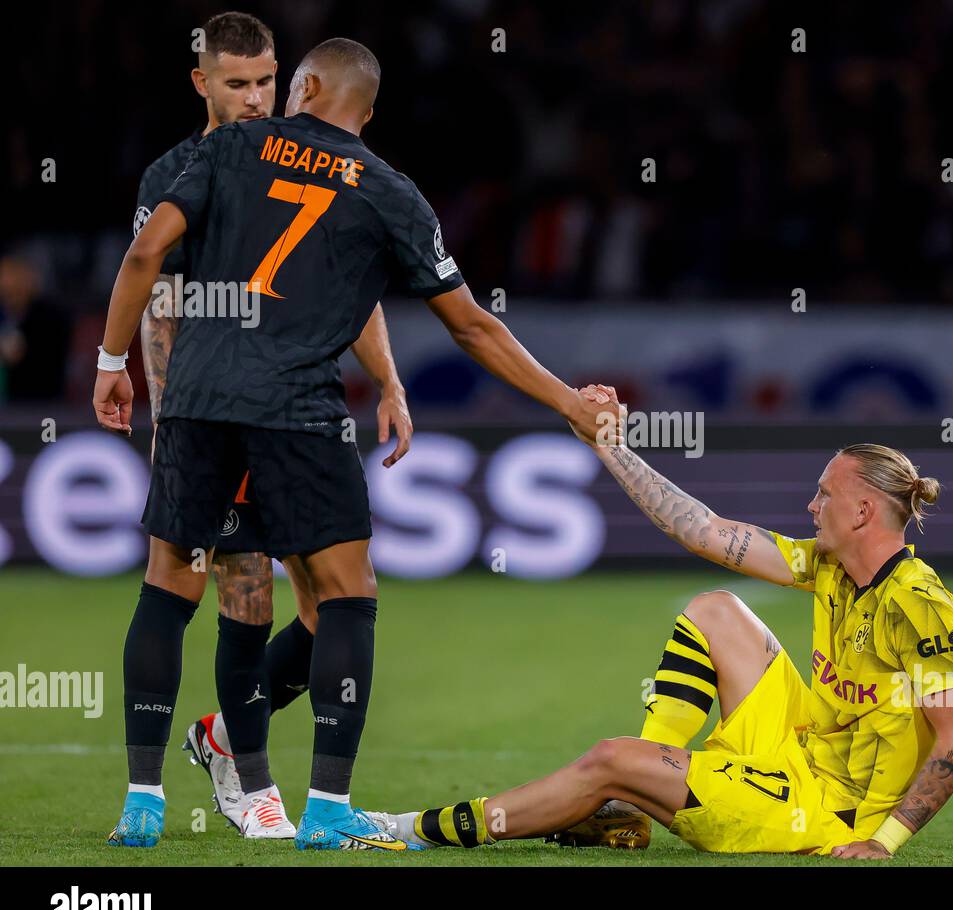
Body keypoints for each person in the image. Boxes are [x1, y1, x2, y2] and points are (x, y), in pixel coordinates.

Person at [95, 36, 605, 851]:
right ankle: (325, 808)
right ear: (365, 114)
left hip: (195, 400)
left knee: (168, 584)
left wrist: (111, 364)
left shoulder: (231, 146)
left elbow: (147, 251)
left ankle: (143, 806)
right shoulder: (388, 192)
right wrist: (568, 404)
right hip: (296, 410)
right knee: (345, 593)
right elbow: (470, 324)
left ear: (302, 86)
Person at [373, 390, 953, 857]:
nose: (811, 506)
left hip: (821, 809)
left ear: (864, 511)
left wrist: (884, 843)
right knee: (714, 607)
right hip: (799, 748)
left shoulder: (918, 603)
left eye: (824, 494)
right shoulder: (829, 565)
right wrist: (609, 446)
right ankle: (636, 796)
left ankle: (413, 830)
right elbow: (704, 531)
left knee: (612, 758)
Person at [134, 9, 414, 841]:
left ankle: (219, 736)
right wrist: (167, 423)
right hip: (215, 410)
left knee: (332, 612)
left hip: (297, 408)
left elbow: (340, 278)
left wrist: (390, 379)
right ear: (203, 83)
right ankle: (253, 785)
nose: (256, 99)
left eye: (266, 82)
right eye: (238, 85)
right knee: (245, 588)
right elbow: (161, 303)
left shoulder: (295, 155)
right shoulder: (183, 170)